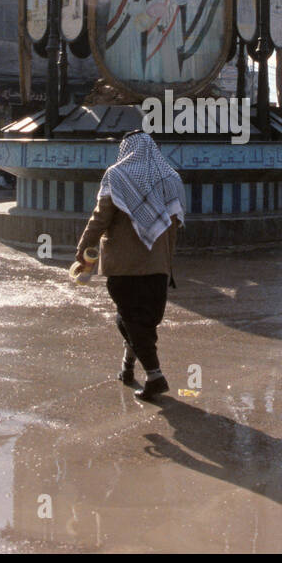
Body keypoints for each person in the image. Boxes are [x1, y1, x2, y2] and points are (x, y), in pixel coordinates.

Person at [76, 131, 185, 402]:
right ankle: (127, 366)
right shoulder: (170, 178)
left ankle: (155, 376)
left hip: (124, 266)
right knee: (141, 321)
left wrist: (83, 248)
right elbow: (174, 226)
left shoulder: (118, 175)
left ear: (126, 149)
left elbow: (100, 218)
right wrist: (168, 263)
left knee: (133, 319)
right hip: (157, 266)